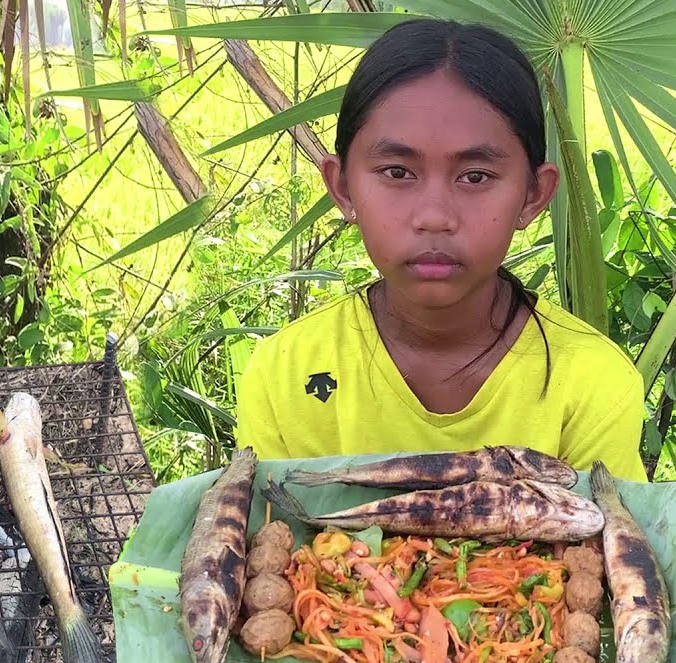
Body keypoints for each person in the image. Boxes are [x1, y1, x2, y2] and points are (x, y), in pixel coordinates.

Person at [233, 18, 648, 481]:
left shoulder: (590, 382)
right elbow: (269, 538)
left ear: (533, 195)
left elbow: (608, 542)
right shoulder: (287, 376)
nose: (434, 216)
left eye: (475, 176)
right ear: (343, 187)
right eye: (396, 171)